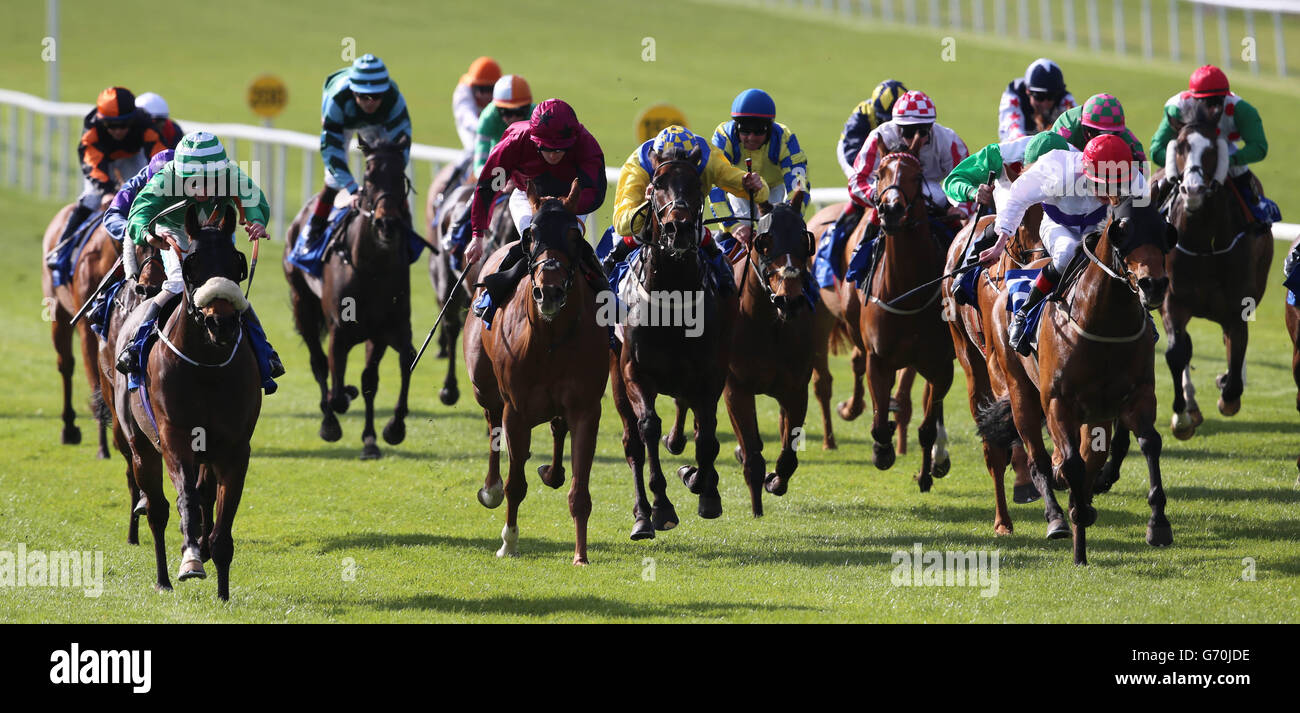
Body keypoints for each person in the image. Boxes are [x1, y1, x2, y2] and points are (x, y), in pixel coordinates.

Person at [118, 132, 284, 394]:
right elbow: (140, 211)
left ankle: (266, 354)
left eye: (210, 181)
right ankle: (136, 346)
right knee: (174, 285)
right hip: (175, 233)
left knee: (230, 291)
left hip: (216, 233)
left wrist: (257, 221)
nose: (203, 189)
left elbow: (253, 198)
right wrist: (150, 235)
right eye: (194, 182)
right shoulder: (166, 178)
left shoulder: (231, 174)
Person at [979, 134, 1145, 355]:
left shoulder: (1135, 179)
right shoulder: (1057, 168)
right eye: (1102, 184)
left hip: (1100, 227)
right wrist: (1000, 243)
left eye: (1115, 184)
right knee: (1068, 252)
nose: (1108, 192)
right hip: (1059, 226)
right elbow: (1017, 197)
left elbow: (1147, 218)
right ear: (1087, 172)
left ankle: (1145, 318)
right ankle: (1024, 313)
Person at [463, 99, 607, 323]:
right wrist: (477, 234)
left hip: (570, 201)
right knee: (532, 241)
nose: (552, 155)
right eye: (546, 148)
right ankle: (491, 296)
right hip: (526, 196)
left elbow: (595, 192)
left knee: (573, 241)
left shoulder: (586, 143)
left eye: (559, 150)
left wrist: (563, 205)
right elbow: (487, 187)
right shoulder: (515, 141)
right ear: (534, 139)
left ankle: (608, 299)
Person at [843, 90, 972, 284]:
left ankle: (963, 275)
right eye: (909, 132)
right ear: (897, 127)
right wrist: (880, 197)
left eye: (922, 131)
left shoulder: (949, 140)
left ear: (932, 126)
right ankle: (858, 266)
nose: (915, 139)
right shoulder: (880, 136)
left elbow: (967, 179)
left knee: (965, 231)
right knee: (875, 216)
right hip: (890, 190)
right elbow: (856, 181)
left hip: (932, 188)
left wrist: (960, 209)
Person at [603, 125, 767, 273]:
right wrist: (648, 204)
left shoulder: (710, 160)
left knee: (726, 275)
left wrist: (754, 185)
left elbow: (759, 192)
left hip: (690, 225)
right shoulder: (637, 167)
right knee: (607, 269)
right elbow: (622, 225)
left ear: (696, 160)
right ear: (654, 161)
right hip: (643, 227)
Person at [301, 53, 411, 247]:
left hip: (378, 124)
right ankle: (313, 228)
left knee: (390, 177)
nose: (370, 102)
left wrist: (389, 173)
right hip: (342, 121)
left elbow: (402, 145)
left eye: (376, 96)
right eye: (363, 96)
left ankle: (407, 231)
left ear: (384, 92)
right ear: (353, 92)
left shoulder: (394, 99)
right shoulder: (337, 100)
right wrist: (352, 188)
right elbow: (331, 151)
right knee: (334, 179)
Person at [48, 87, 164, 270]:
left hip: (131, 158)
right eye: (112, 126)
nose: (118, 131)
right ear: (103, 122)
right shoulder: (92, 127)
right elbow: (92, 162)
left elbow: (157, 156)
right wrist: (106, 191)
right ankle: (62, 249)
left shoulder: (144, 123)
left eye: (124, 125)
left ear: (133, 119)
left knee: (145, 194)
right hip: (101, 163)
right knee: (91, 198)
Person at [1149, 64, 1275, 231]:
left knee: (1243, 175)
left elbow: (1259, 147)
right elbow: (1156, 148)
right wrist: (1180, 164)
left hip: (1225, 150)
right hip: (1188, 152)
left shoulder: (1243, 111)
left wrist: (1228, 160)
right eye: (1206, 102)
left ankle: (1258, 220)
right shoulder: (1178, 108)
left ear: (1226, 97)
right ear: (1193, 99)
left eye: (1218, 101)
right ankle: (1147, 217)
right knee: (1161, 180)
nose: (1213, 108)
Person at [442, 75, 534, 257]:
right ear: (497, 109)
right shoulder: (488, 117)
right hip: (497, 168)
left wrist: (518, 180)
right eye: (506, 113)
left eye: (519, 112)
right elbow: (480, 162)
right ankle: (457, 228)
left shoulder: (535, 115)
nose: (513, 118)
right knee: (481, 193)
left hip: (525, 173)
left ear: (528, 108)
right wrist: (499, 180)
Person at [707, 89, 808, 244]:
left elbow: (799, 185)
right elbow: (715, 186)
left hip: (774, 191)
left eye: (759, 131)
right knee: (732, 236)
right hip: (738, 190)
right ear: (736, 127)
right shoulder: (724, 136)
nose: (751, 138)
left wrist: (790, 217)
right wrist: (732, 226)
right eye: (745, 130)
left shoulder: (785, 138)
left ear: (769, 128)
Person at [448, 56, 502, 190]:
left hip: (493, 127)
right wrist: (484, 127)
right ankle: (449, 187)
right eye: (479, 89)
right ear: (472, 86)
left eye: (490, 89)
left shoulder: (503, 92)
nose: (484, 95)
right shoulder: (462, 93)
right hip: (470, 128)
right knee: (472, 149)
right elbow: (467, 119)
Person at [837, 79, 908, 180]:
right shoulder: (863, 113)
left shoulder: (912, 115)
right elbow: (852, 152)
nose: (889, 125)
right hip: (854, 150)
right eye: (883, 119)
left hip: (887, 148)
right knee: (861, 180)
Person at [1052, 93, 1147, 164]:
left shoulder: (1130, 143)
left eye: (1110, 134)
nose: (1103, 139)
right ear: (1085, 128)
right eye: (1097, 133)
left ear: (1119, 131)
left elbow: (1142, 175)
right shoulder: (1066, 129)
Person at [998, 58, 1076, 141]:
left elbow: (1078, 133)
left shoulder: (1065, 99)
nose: (1045, 104)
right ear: (1027, 91)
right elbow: (1013, 136)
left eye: (1051, 96)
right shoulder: (1014, 95)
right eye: (1039, 96)